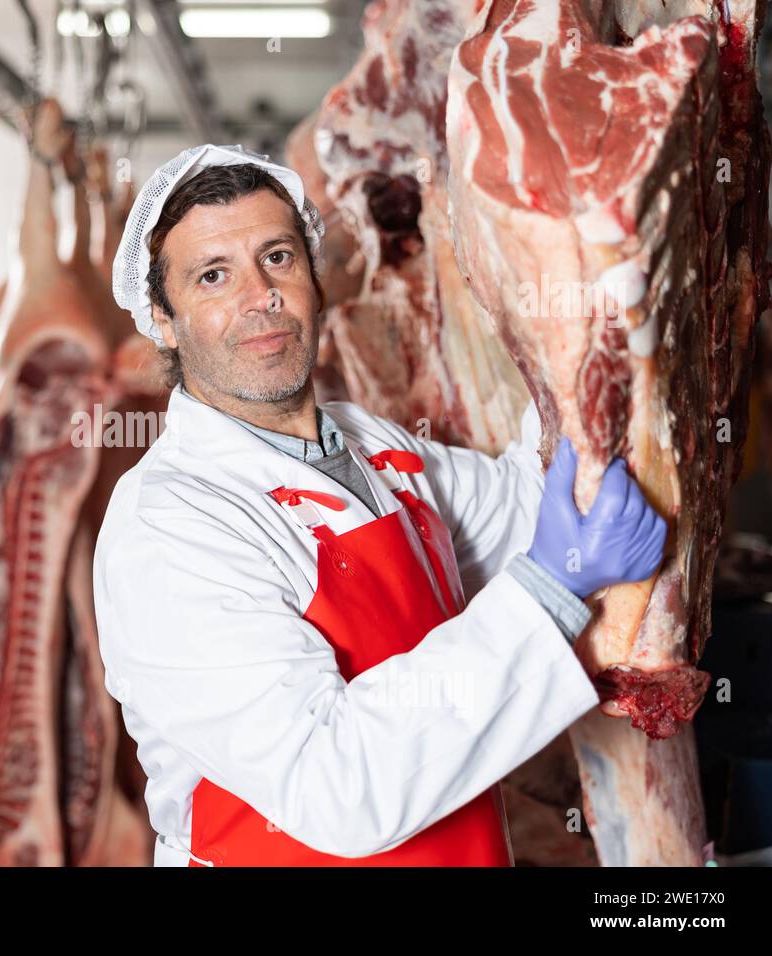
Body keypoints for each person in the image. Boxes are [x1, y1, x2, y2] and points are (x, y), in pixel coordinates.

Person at [93, 144, 667, 867]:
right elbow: (334, 783)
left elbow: (528, 504)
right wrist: (551, 588)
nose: (259, 296)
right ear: (165, 319)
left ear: (312, 275)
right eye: (214, 275)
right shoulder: (169, 521)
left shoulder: (375, 448)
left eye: (277, 257)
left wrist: (590, 333)